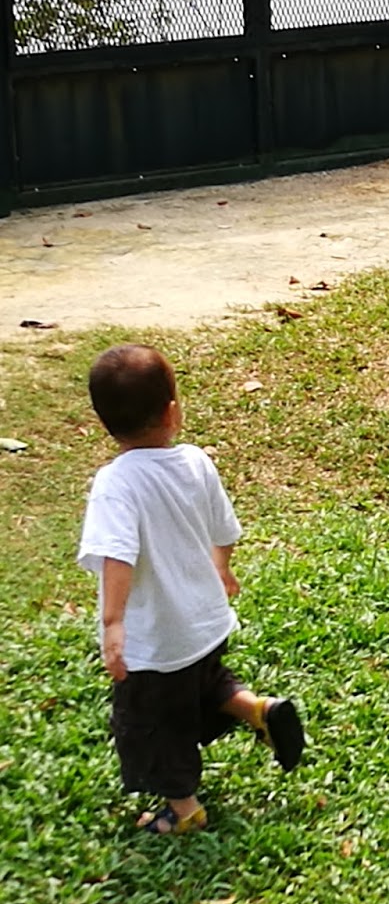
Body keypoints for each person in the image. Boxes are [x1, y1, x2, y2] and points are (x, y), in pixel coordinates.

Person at [77, 344, 305, 835]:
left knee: (152, 724)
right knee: (204, 684)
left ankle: (183, 810)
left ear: (104, 422)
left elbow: (117, 554)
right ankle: (257, 709)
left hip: (156, 643)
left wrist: (114, 622)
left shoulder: (116, 484)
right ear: (173, 413)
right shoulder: (197, 463)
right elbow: (224, 530)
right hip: (205, 623)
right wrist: (220, 570)